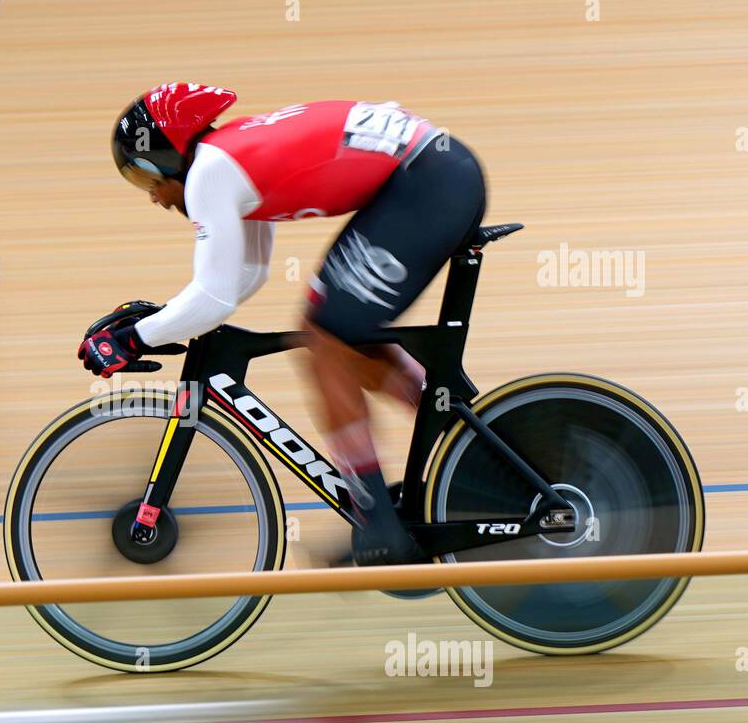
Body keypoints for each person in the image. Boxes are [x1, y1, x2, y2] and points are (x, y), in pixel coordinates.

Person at [78, 82, 487, 565]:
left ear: (168, 156)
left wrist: (131, 338)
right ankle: (468, 448)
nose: (153, 198)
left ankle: (380, 521)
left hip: (429, 181)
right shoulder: (227, 160)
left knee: (327, 335)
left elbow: (214, 295)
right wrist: (163, 321)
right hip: (435, 175)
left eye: (146, 179)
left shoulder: (210, 171)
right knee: (341, 334)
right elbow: (245, 276)